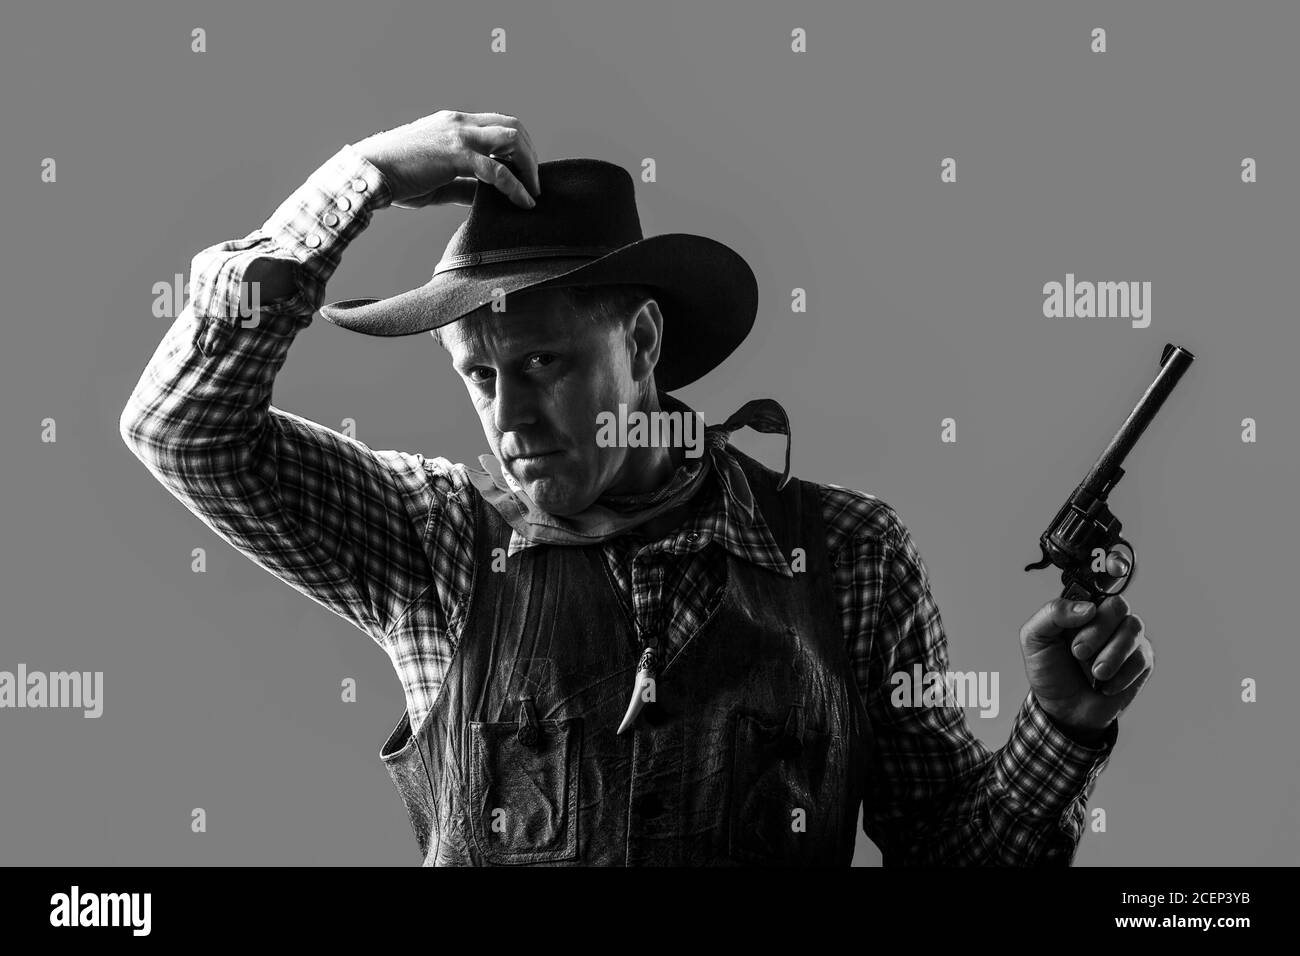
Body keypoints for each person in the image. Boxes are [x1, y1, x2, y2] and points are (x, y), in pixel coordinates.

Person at [119, 109, 1152, 866]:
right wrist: (359, 179)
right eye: (479, 375)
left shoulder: (851, 556)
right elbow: (183, 430)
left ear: (644, 342)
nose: (509, 419)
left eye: (541, 365)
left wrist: (1062, 728)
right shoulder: (430, 535)